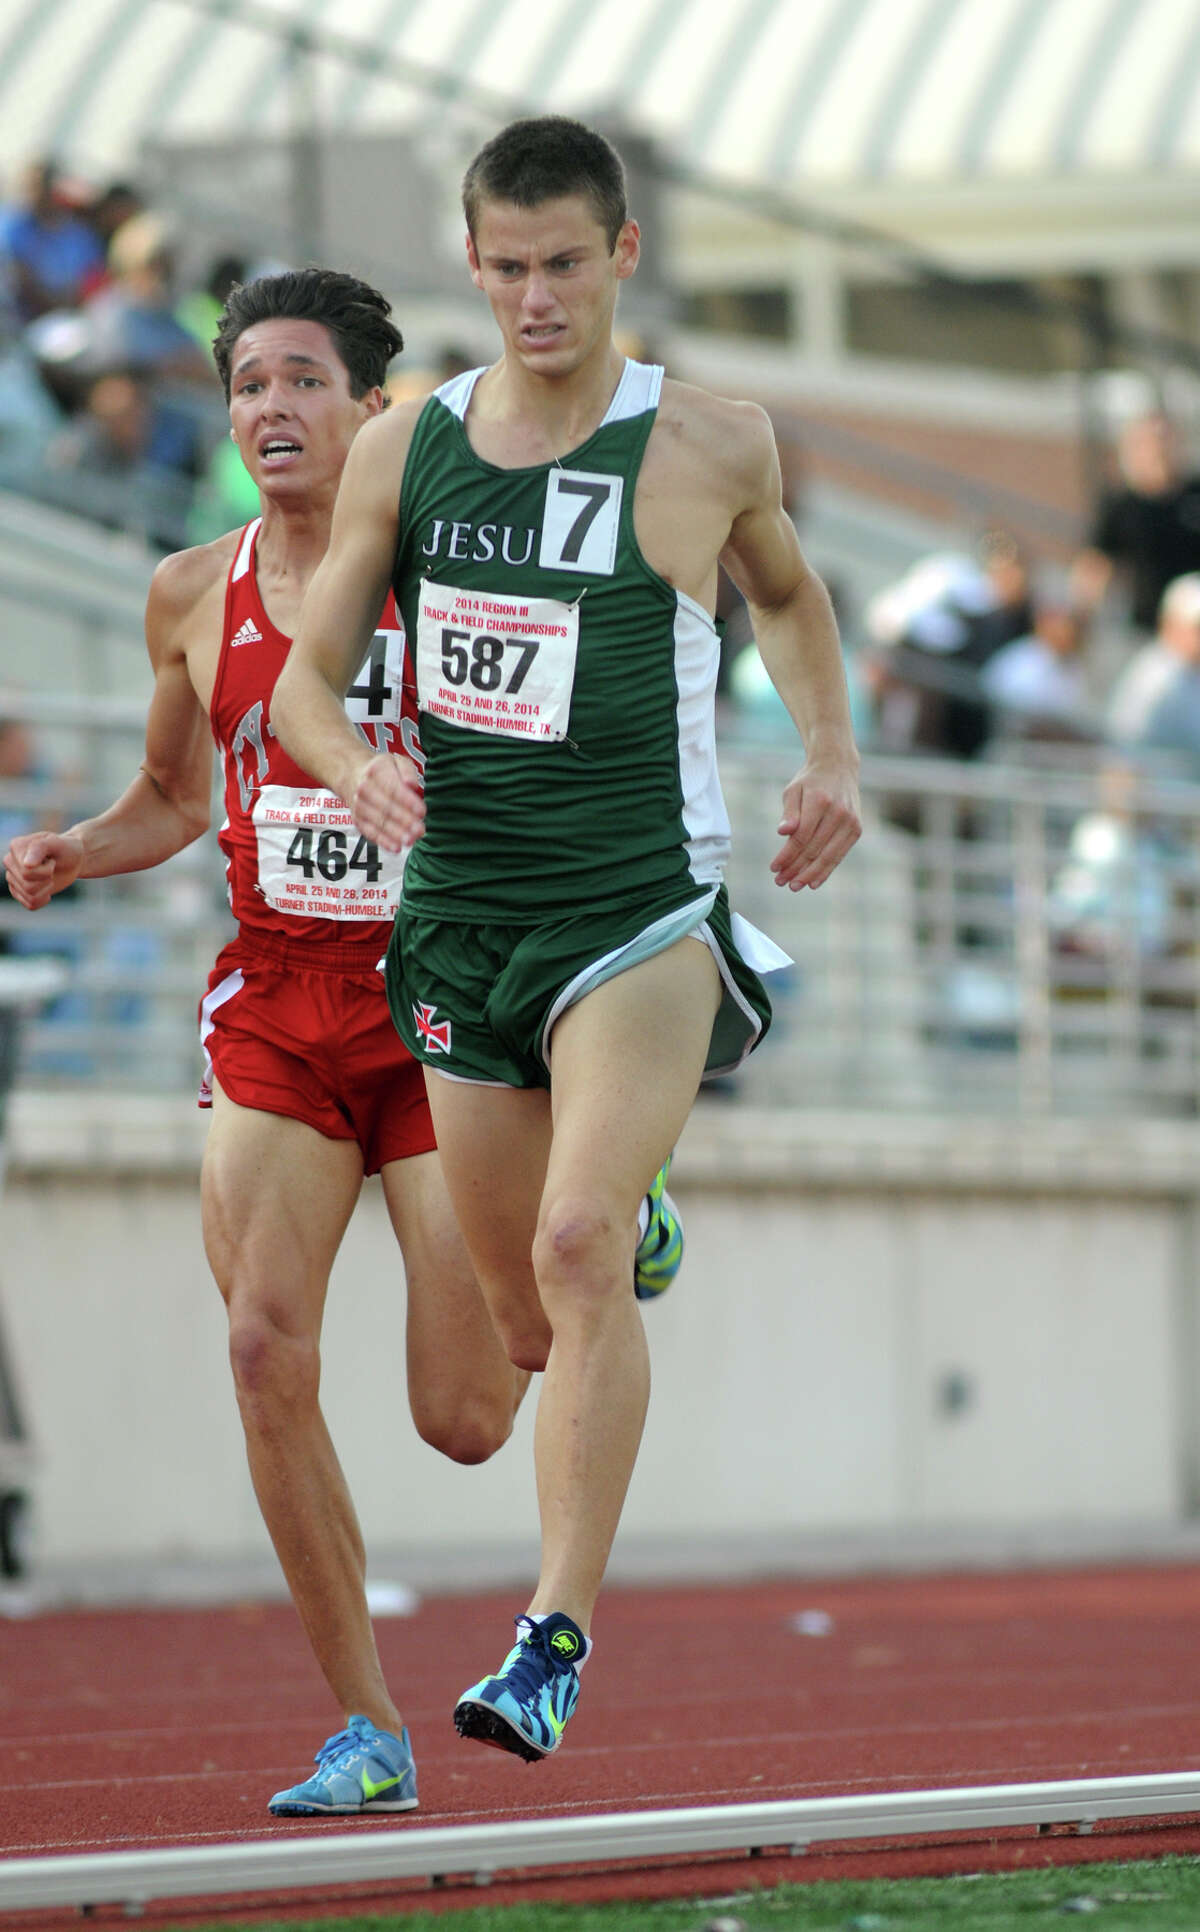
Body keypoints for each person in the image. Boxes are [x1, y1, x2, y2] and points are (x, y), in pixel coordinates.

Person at [272, 116, 862, 1765]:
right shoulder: (407, 450)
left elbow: (796, 600)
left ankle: (549, 1638)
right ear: (470, 265)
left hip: (636, 913)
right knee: (529, 1332)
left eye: (562, 264)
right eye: (505, 267)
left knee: (576, 1245)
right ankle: (642, 1199)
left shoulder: (710, 441)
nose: (534, 297)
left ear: (622, 256)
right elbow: (312, 682)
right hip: (460, 926)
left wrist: (830, 758)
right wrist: (356, 760)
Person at [3, 266, 529, 1818]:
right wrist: (75, 849)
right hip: (278, 1019)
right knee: (260, 1343)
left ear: (374, 408)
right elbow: (174, 797)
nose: (271, 410)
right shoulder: (191, 589)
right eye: (247, 386)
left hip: (442, 1012)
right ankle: (365, 1728)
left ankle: (606, 1189)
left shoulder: (449, 581)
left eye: (304, 381)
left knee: (467, 1420)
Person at [1073, 410, 1200, 638]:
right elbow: (1097, 563)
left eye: (1164, 441)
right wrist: (1082, 616)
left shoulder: (1194, 493)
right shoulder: (1123, 505)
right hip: (1147, 627)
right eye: (1150, 442)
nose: (1159, 449)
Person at [1105, 571, 1200, 774]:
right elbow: (1123, 751)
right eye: (1197, 626)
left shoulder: (1190, 674)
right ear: (1169, 622)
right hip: (1157, 800)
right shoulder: (1153, 676)